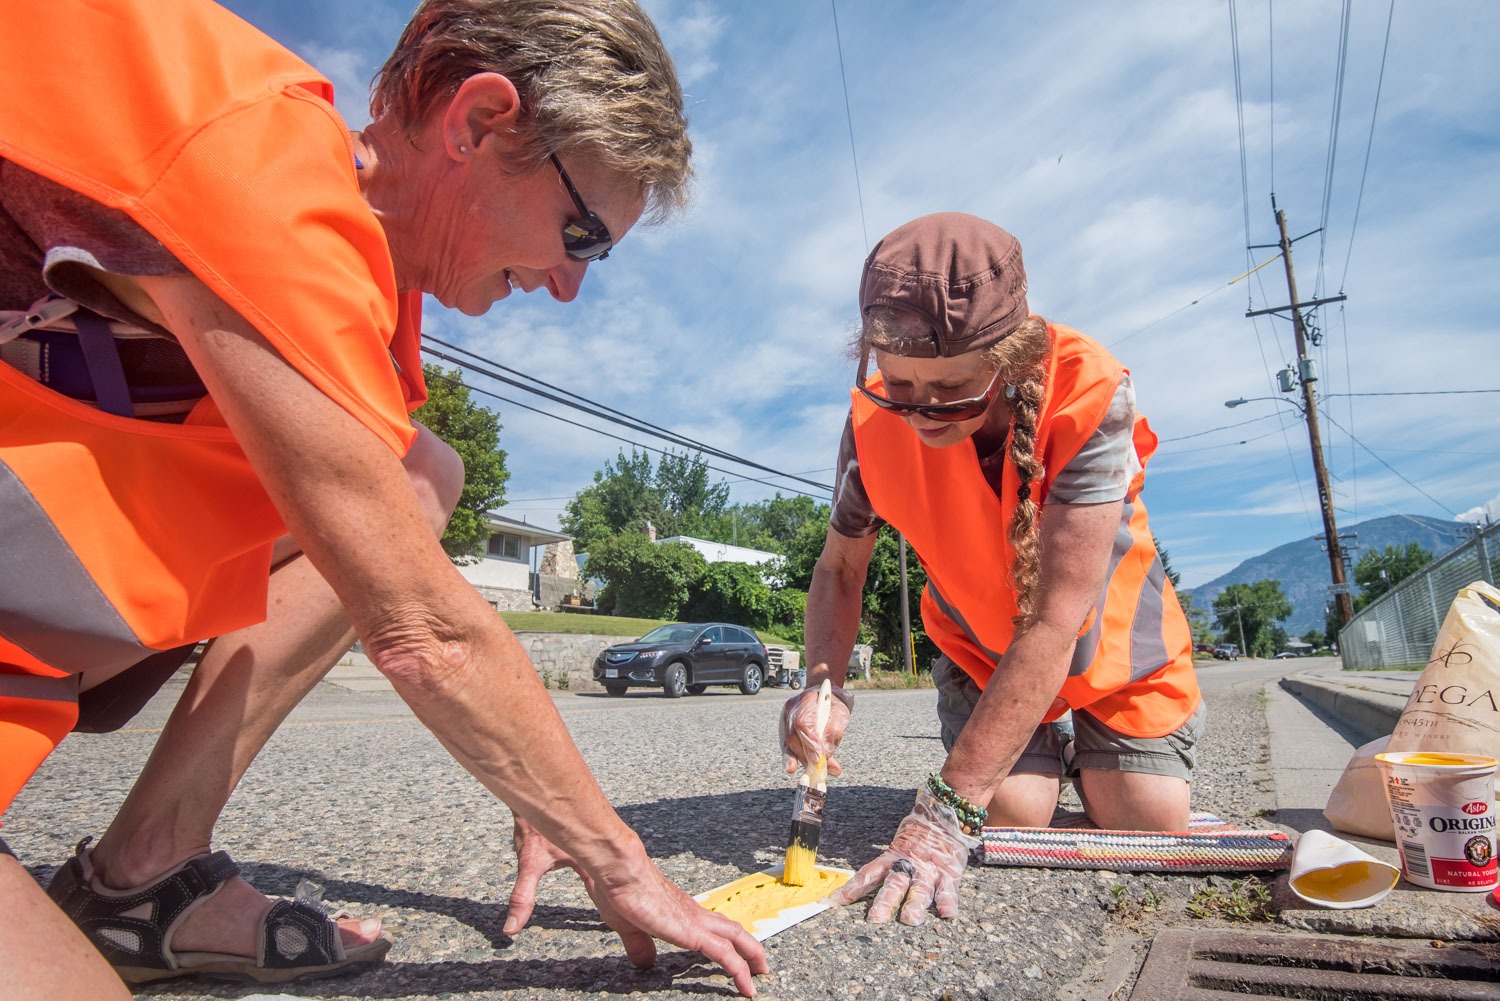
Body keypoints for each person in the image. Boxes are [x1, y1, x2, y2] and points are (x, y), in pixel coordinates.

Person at [0, 0, 766, 996]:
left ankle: (144, 874)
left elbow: (394, 554)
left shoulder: (371, 327)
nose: (571, 285)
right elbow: (424, 628)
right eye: (582, 233)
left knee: (416, 472)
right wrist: (615, 855)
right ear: (480, 122)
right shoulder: (256, 160)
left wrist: (536, 781)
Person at [780, 213, 1203, 926]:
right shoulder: (871, 422)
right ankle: (1029, 750)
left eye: (951, 391)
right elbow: (841, 570)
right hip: (981, 649)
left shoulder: (1091, 395)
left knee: (1148, 819)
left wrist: (941, 816)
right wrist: (823, 683)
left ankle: (1079, 747)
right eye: (901, 384)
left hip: (1111, 649)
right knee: (1014, 816)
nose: (920, 412)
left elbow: (1056, 619)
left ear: (1011, 358)